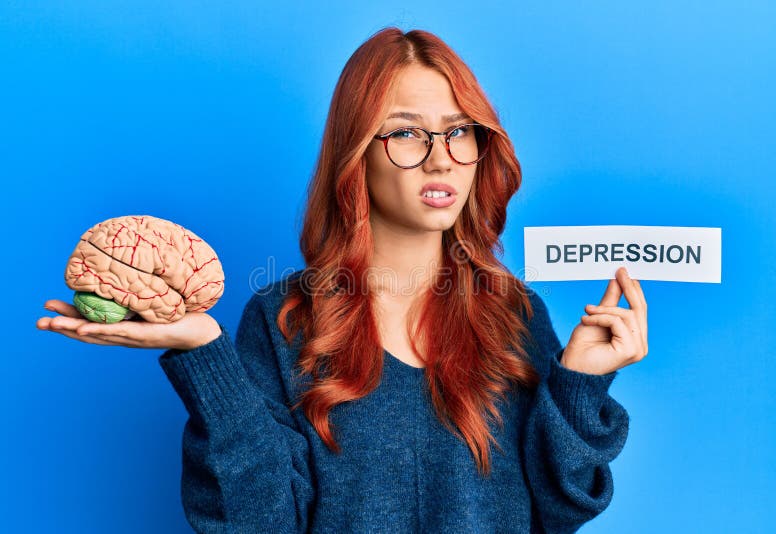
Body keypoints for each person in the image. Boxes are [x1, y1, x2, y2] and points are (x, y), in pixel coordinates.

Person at [37, 27, 648, 534]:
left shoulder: (516, 315)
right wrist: (203, 355)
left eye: (459, 131)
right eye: (407, 131)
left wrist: (580, 383)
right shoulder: (283, 321)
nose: (441, 156)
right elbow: (256, 523)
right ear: (356, 152)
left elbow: (560, 510)